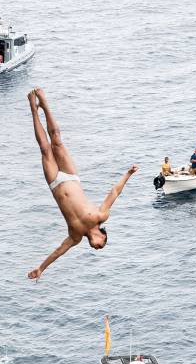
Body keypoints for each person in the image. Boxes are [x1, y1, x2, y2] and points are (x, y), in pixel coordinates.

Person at [25, 88, 137, 280]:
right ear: (103, 236)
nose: (96, 248)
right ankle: (44, 103)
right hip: (70, 177)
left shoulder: (75, 236)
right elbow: (114, 193)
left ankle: (33, 109)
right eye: (100, 246)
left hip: (55, 183)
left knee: (45, 149)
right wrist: (128, 174)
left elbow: (58, 251)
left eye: (97, 249)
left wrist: (41, 268)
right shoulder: (100, 216)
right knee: (57, 141)